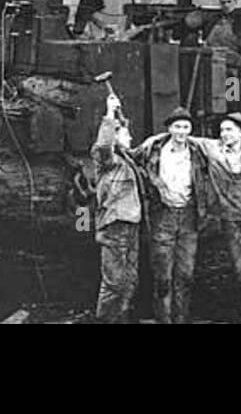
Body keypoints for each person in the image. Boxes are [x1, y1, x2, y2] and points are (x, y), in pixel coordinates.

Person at [177, 111, 241, 323]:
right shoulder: (212, 149)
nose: (224, 134)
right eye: (222, 130)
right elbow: (181, 136)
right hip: (231, 223)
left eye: (230, 130)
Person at [134, 106, 210, 323]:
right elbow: (130, 158)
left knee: (185, 274)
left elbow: (227, 145)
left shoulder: (197, 150)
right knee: (162, 276)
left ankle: (181, 318)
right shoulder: (153, 148)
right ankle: (164, 319)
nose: (181, 132)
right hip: (163, 216)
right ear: (169, 128)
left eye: (186, 127)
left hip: (188, 216)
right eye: (177, 126)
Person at [91, 92, 146, 322]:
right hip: (114, 226)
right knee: (114, 282)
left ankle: (122, 317)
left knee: (130, 279)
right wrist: (110, 113)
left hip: (131, 226)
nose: (131, 137)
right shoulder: (107, 161)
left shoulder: (128, 161)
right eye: (126, 134)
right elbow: (104, 144)